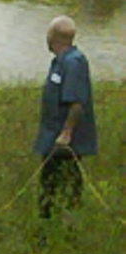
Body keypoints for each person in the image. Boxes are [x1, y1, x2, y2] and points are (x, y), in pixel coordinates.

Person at [35, 15, 96, 219]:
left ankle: (65, 229)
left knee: (66, 185)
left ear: (52, 36)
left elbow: (77, 102)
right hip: (52, 138)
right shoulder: (60, 62)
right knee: (49, 185)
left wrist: (66, 133)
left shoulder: (73, 63)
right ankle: (49, 225)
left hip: (65, 143)